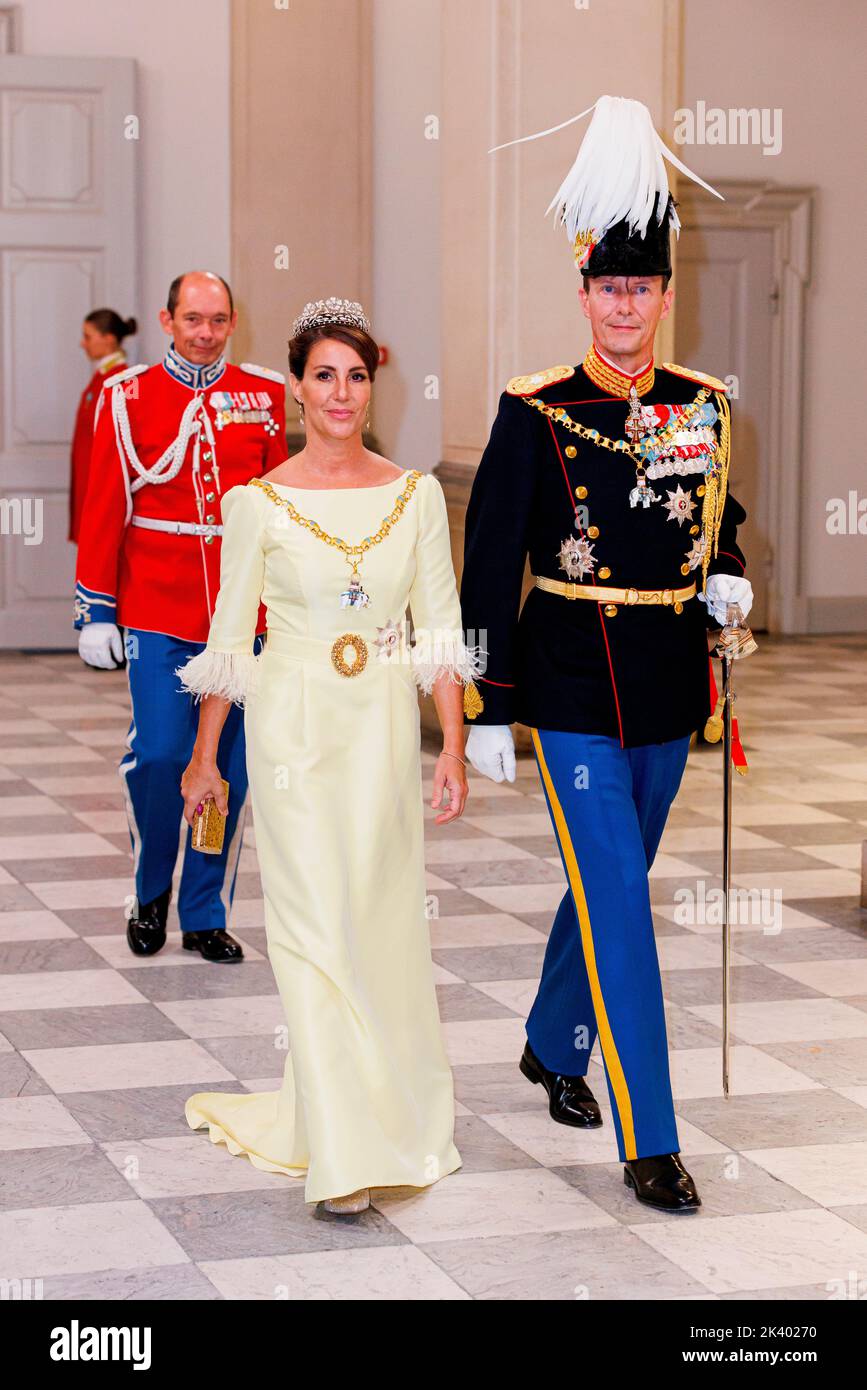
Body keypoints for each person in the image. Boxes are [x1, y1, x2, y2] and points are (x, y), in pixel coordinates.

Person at [460, 96, 753, 1213]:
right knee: (623, 899)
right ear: (583, 291)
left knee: (604, 887)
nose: (625, 304)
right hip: (573, 676)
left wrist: (727, 562)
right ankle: (651, 1136)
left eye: (643, 288)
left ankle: (548, 1039)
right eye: (608, 286)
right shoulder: (535, 410)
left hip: (673, 684)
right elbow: (489, 561)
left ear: (665, 296)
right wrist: (488, 702)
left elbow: (709, 513)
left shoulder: (704, 406)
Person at [175, 297, 480, 1217]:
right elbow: (230, 640)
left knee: (378, 922)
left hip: (382, 726)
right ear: (298, 388)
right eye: (323, 376)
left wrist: (453, 744)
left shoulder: (415, 494)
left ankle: (368, 1111)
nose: (340, 392)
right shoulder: (255, 504)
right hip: (292, 724)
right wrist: (204, 761)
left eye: (355, 375)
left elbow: (438, 630)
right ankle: (344, 1157)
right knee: (308, 932)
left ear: (369, 386)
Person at [74, 271, 287, 962]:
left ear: (232, 321)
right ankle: (149, 893)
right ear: (167, 320)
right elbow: (105, 504)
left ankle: (202, 911)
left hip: (241, 611)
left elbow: (282, 507)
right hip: (157, 606)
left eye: (218, 319)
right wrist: (96, 609)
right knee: (162, 754)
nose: (205, 332)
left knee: (227, 764)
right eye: (192, 319)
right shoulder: (126, 395)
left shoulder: (261, 395)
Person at [69, 308, 137, 544]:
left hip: (105, 488)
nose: (82, 343)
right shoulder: (103, 376)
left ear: (108, 339)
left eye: (88, 336)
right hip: (90, 481)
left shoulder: (125, 379)